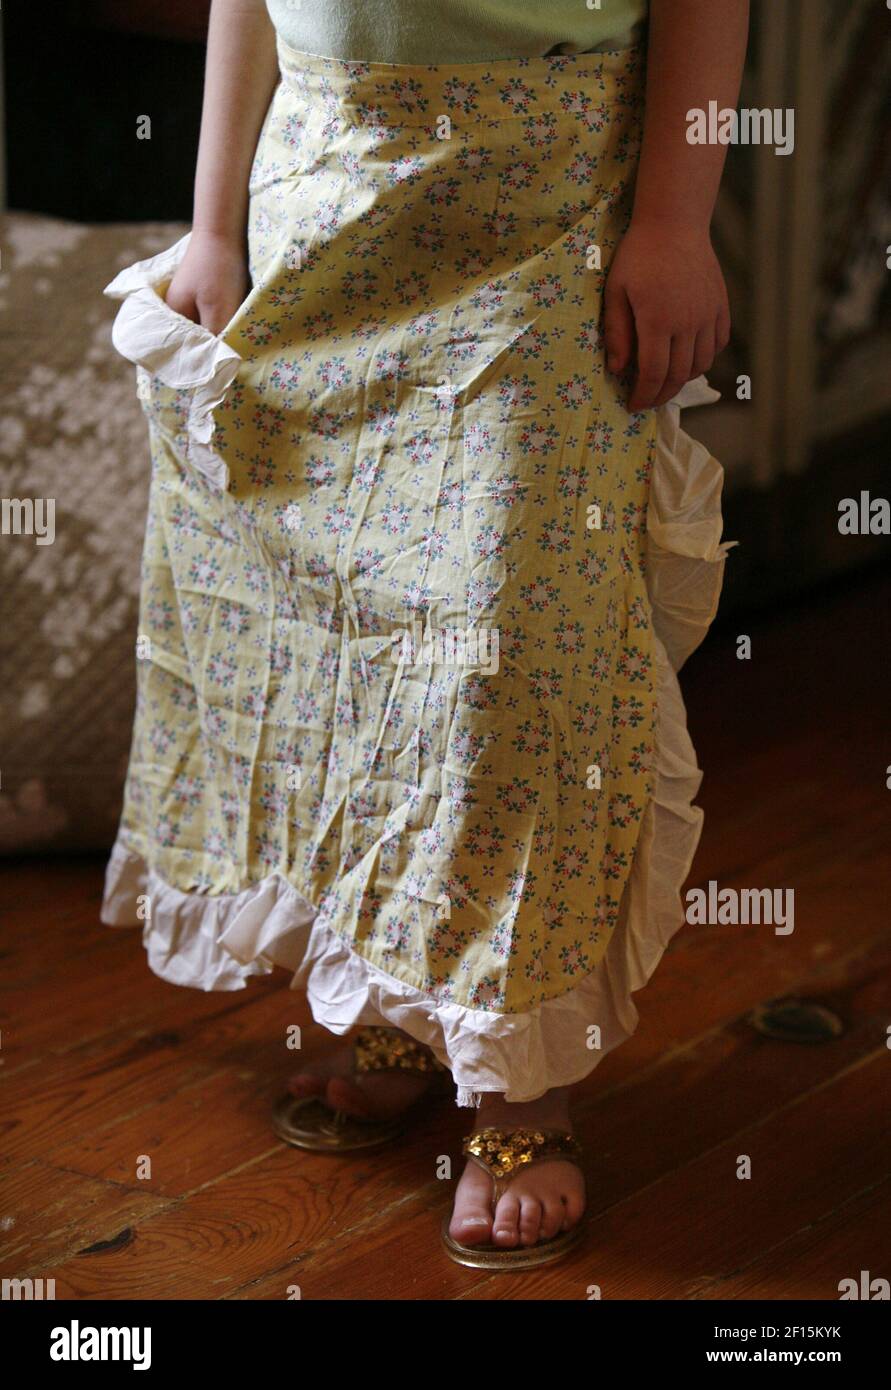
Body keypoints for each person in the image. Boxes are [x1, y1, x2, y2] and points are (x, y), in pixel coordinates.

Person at [101, 0, 747, 1269]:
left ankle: (520, 1085)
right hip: (323, 190)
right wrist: (215, 223)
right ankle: (402, 987)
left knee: (508, 640)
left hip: (547, 202)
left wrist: (674, 218)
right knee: (347, 636)